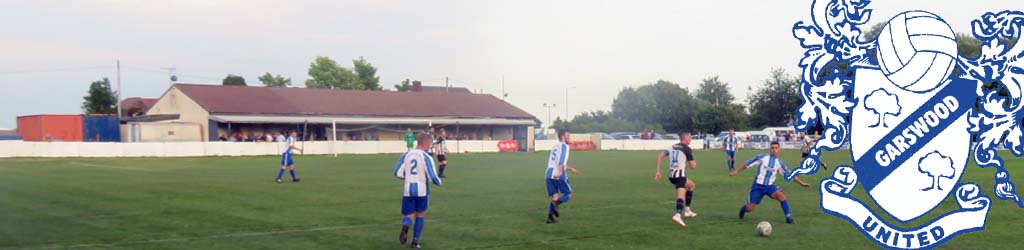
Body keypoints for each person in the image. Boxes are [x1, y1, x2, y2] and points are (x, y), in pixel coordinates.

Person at [729, 141, 812, 224]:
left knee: (781, 196)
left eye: (776, 148)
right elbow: (748, 163)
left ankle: (788, 218)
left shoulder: (779, 163)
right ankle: (743, 210)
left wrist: (801, 183)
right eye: (772, 148)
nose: (774, 150)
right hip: (758, 186)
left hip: (769, 186)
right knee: (749, 208)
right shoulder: (762, 157)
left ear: (779, 150)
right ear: (770, 149)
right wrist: (736, 171)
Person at [394, 133, 442, 249]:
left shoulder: (406, 154)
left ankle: (406, 226)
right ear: (426, 143)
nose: (430, 146)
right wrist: (439, 182)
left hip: (408, 190)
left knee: (409, 215)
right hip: (422, 190)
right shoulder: (426, 157)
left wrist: (408, 177)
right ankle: (415, 241)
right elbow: (433, 176)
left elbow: (397, 172)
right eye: (430, 144)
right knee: (420, 214)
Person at [655, 132, 698, 228]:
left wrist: (658, 172)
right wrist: (693, 161)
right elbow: (693, 166)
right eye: (690, 137)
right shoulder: (687, 149)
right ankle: (678, 215)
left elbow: (660, 156)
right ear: (685, 138)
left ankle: (687, 211)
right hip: (680, 176)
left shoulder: (672, 147)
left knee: (691, 185)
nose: (691, 139)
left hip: (671, 175)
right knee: (681, 195)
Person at [546, 129, 580, 224]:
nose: (569, 138)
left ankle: (550, 218)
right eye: (568, 136)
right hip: (558, 174)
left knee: (555, 196)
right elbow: (561, 161)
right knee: (569, 193)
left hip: (548, 174)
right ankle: (556, 204)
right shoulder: (564, 146)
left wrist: (571, 169)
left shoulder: (555, 147)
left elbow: (554, 162)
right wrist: (560, 172)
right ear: (562, 137)